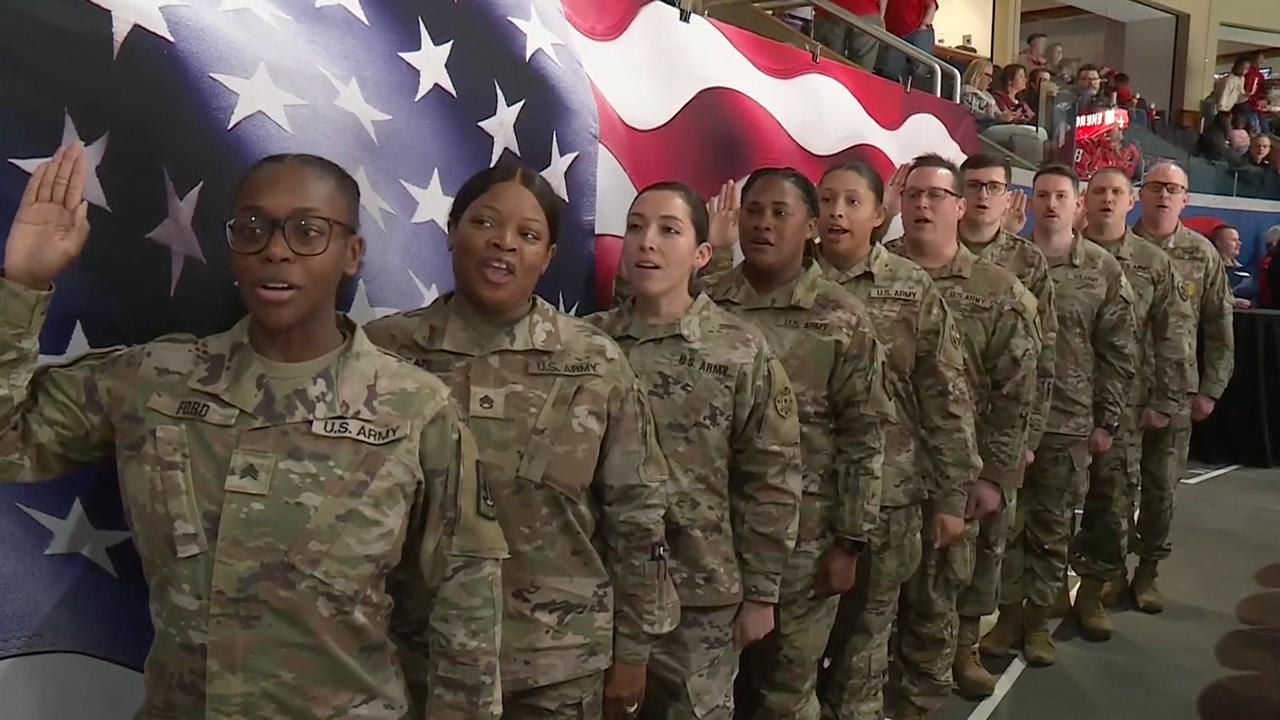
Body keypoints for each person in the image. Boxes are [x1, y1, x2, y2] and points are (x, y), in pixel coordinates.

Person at [0, 144, 507, 718]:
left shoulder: (415, 410)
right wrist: (21, 283)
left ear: (352, 254)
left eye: (308, 231)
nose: (275, 250)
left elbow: (466, 603)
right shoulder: (154, 382)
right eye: (252, 228)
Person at [363, 164, 676, 720]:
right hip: (412, 657)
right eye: (484, 222)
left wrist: (632, 652)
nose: (504, 243)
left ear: (549, 255)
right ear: (452, 231)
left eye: (528, 235)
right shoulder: (384, 352)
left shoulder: (595, 362)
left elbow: (637, 516)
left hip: (554, 664)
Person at [586, 181, 804, 720]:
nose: (647, 243)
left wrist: (761, 593)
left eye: (668, 230)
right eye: (636, 227)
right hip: (595, 588)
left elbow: (772, 475)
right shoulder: (587, 346)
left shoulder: (739, 348)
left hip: (699, 595)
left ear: (702, 254)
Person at [697, 167, 891, 720]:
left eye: (781, 213)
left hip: (804, 544)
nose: (764, 224)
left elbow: (863, 436)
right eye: (754, 211)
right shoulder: (705, 301)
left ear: (810, 227)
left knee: (783, 693)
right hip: (708, 537)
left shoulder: (841, 317)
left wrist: (849, 542)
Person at [810, 161, 980, 720]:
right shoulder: (789, 283)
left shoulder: (911, 290)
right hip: (801, 501)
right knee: (797, 646)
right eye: (827, 200)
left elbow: (947, 396)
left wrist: (953, 496)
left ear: (879, 215)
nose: (837, 212)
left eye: (852, 201)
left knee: (865, 641)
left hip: (890, 498)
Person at [882, 154, 1040, 719]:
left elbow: (1019, 392)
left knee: (932, 615)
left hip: (951, 478)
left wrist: (996, 476)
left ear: (957, 206)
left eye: (935, 196)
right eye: (913, 195)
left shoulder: (998, 290)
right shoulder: (867, 276)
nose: (922, 205)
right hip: (873, 481)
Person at [996, 165, 1136, 668]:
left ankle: (1038, 624)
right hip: (1009, 422)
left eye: (1061, 196)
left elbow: (1120, 352)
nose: (1051, 204)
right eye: (1042, 195)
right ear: (1029, 203)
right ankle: (1007, 615)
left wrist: (1107, 422)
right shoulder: (1006, 262)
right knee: (1006, 526)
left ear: (1077, 205)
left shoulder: (1101, 269)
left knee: (1052, 528)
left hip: (1069, 422)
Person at [1070, 167, 1193, 640]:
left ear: (1129, 201)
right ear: (1085, 199)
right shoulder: (1062, 251)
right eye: (1097, 191)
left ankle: (1094, 591)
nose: (1106, 199)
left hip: (1126, 404)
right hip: (1064, 402)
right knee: (1054, 505)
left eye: (1115, 192)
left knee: (1112, 502)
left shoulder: (1152, 262)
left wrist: (1165, 399)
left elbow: (1172, 337)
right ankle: (1041, 597)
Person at [1130, 161, 1234, 612]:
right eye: (1156, 187)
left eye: (1174, 188)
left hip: (1175, 395)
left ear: (1186, 199)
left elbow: (1219, 326)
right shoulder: (1115, 246)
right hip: (1117, 395)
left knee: (1160, 491)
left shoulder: (1202, 255)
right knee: (1107, 492)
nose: (1164, 195)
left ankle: (1147, 571)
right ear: (1141, 194)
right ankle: (1105, 573)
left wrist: (1211, 388)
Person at [813, 0, 887, 72]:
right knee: (862, 69)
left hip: (830, 9)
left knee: (827, 64)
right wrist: (881, 16)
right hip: (866, 11)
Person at [882, 0, 939, 87]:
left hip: (916, 32)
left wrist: (923, 25)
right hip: (895, 34)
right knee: (891, 72)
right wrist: (882, 20)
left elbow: (932, 5)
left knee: (918, 70)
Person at [1211, 224, 1257, 306]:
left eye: (1238, 240)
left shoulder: (1247, 270)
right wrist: (1232, 302)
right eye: (1233, 240)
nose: (1239, 243)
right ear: (1219, 243)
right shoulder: (1210, 270)